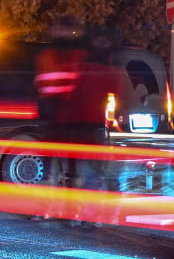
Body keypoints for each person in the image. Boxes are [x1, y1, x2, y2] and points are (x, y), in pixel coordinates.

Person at [32, 16, 123, 225]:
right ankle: (71, 213)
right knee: (67, 170)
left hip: (66, 120)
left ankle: (65, 211)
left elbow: (45, 86)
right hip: (65, 121)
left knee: (68, 170)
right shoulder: (76, 57)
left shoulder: (71, 58)